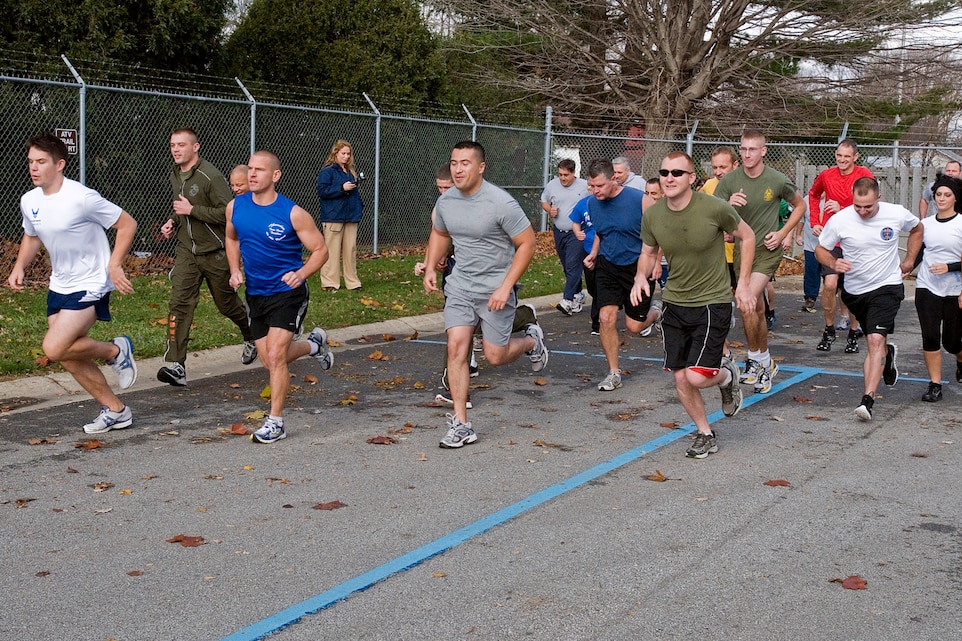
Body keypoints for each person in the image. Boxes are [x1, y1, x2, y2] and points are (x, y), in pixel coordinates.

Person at [7, 133, 138, 434]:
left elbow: (127, 224)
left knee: (54, 347)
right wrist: (19, 266)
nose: (34, 168)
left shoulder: (81, 197)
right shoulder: (30, 200)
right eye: (30, 162)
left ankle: (115, 352)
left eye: (41, 162)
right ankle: (116, 410)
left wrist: (114, 264)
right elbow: (32, 235)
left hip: (91, 281)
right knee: (67, 354)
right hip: (60, 284)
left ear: (60, 165)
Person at [422, 141, 549, 449]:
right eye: (454, 163)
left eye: (465, 163)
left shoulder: (500, 203)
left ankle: (532, 340)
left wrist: (506, 286)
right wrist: (430, 266)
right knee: (457, 348)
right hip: (461, 286)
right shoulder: (447, 202)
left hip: (495, 288)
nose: (458, 169)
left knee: (494, 355)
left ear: (480, 167)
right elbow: (440, 232)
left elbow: (528, 243)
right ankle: (461, 423)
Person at [631, 152, 756, 459]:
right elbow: (648, 252)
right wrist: (639, 277)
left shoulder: (714, 208)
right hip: (675, 301)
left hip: (712, 301)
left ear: (691, 178)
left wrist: (742, 283)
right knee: (679, 376)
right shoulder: (653, 214)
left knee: (697, 376)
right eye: (664, 172)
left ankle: (727, 376)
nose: (669, 177)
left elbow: (748, 236)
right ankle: (705, 433)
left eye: (677, 172)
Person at [226, 150, 335, 444]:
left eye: (259, 170)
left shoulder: (292, 213)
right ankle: (314, 345)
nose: (252, 174)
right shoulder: (235, 206)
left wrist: (301, 274)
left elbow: (321, 250)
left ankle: (275, 421)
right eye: (250, 168)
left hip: (288, 294)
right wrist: (235, 269)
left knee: (275, 357)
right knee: (271, 360)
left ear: (275, 176)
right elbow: (232, 237)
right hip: (256, 294)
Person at [815, 177, 922, 421]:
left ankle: (867, 400)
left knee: (874, 339)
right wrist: (833, 262)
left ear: (878, 198)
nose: (863, 211)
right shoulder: (841, 219)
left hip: (887, 286)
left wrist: (910, 260)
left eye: (868, 207)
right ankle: (888, 353)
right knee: (877, 341)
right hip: (855, 293)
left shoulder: (895, 214)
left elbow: (917, 228)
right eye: (858, 206)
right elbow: (821, 248)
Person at [157, 128, 257, 387]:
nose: (176, 149)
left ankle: (252, 334)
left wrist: (193, 210)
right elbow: (181, 209)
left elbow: (229, 213)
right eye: (172, 145)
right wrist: (173, 221)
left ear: (195, 147)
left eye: (181, 145)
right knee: (179, 303)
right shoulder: (174, 173)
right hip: (186, 251)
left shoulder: (210, 176)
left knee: (226, 305)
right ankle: (176, 365)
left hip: (215, 253)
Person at [714, 129, 807, 393]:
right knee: (753, 309)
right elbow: (713, 211)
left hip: (767, 249)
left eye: (752, 149)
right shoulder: (730, 181)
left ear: (763, 151)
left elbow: (800, 206)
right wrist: (728, 203)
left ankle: (755, 360)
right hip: (743, 251)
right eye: (743, 149)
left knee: (746, 302)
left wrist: (782, 232)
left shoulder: (776, 180)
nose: (746, 154)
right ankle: (764, 360)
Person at [583, 159, 662, 391]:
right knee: (606, 317)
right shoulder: (592, 203)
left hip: (639, 266)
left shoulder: (640, 201)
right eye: (591, 186)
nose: (595, 191)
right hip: (608, 265)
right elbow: (601, 231)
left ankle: (656, 313)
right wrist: (594, 253)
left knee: (634, 327)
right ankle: (613, 372)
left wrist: (657, 263)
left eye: (599, 186)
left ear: (614, 179)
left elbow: (659, 234)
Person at [808, 139, 875, 353]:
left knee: (852, 288)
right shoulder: (827, 175)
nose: (842, 160)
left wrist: (843, 207)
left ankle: (854, 332)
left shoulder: (864, 174)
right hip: (832, 238)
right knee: (829, 284)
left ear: (855, 157)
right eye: (839, 155)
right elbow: (813, 195)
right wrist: (815, 222)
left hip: (855, 238)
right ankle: (829, 329)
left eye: (847, 156)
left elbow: (871, 204)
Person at [908, 174, 962, 402]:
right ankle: (935, 385)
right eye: (938, 194)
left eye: (946, 195)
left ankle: (960, 359)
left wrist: (949, 267)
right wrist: (903, 267)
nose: (941, 198)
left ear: (955, 198)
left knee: (951, 342)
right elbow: (915, 255)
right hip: (927, 288)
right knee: (930, 337)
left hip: (955, 290)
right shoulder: (925, 224)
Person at [541, 159, 589, 315]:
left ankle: (567, 300)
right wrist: (550, 210)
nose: (562, 178)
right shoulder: (552, 185)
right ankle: (577, 295)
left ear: (573, 173)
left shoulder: (584, 186)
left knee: (572, 264)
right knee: (567, 266)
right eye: (560, 174)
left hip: (577, 232)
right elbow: (544, 201)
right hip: (559, 231)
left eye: (566, 175)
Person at [316, 139, 363, 291]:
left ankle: (352, 282)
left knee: (350, 250)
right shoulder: (327, 171)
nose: (346, 157)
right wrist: (341, 188)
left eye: (348, 154)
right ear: (336, 153)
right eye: (343, 153)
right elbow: (322, 191)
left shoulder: (349, 172)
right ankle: (330, 282)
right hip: (333, 216)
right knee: (332, 250)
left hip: (350, 216)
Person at [570, 184, 600, 334]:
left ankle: (597, 322)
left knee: (602, 288)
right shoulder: (584, 203)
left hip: (607, 252)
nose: (593, 189)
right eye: (590, 185)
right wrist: (577, 232)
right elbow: (575, 221)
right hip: (588, 250)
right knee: (593, 287)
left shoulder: (609, 202)